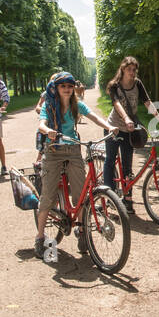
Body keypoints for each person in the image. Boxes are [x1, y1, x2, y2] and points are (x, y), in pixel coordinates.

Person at [34, 70, 116, 258]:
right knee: (48, 195)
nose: (67, 89)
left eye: (70, 86)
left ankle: (81, 231)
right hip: (53, 150)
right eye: (63, 86)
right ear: (56, 88)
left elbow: (93, 116)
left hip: (73, 149)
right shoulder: (49, 105)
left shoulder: (76, 105)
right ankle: (40, 237)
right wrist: (48, 131)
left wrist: (109, 126)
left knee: (81, 194)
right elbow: (42, 123)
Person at [104, 56, 158, 214]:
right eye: (129, 69)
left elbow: (147, 102)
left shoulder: (138, 83)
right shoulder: (115, 86)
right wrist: (126, 118)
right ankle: (110, 196)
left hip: (129, 130)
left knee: (127, 165)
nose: (132, 72)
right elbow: (117, 104)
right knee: (110, 160)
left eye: (134, 70)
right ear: (122, 69)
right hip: (114, 127)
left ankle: (127, 200)